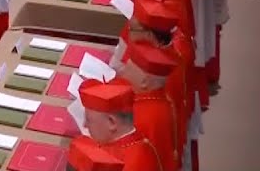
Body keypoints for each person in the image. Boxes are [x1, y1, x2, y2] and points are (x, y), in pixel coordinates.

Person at [120, 41, 183, 171]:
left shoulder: (142, 117)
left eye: (128, 69)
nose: (122, 73)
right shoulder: (159, 100)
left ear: (144, 82)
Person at [77, 79, 162, 171]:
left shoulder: (129, 163)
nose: (84, 125)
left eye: (89, 120)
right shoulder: (138, 146)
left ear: (112, 122)